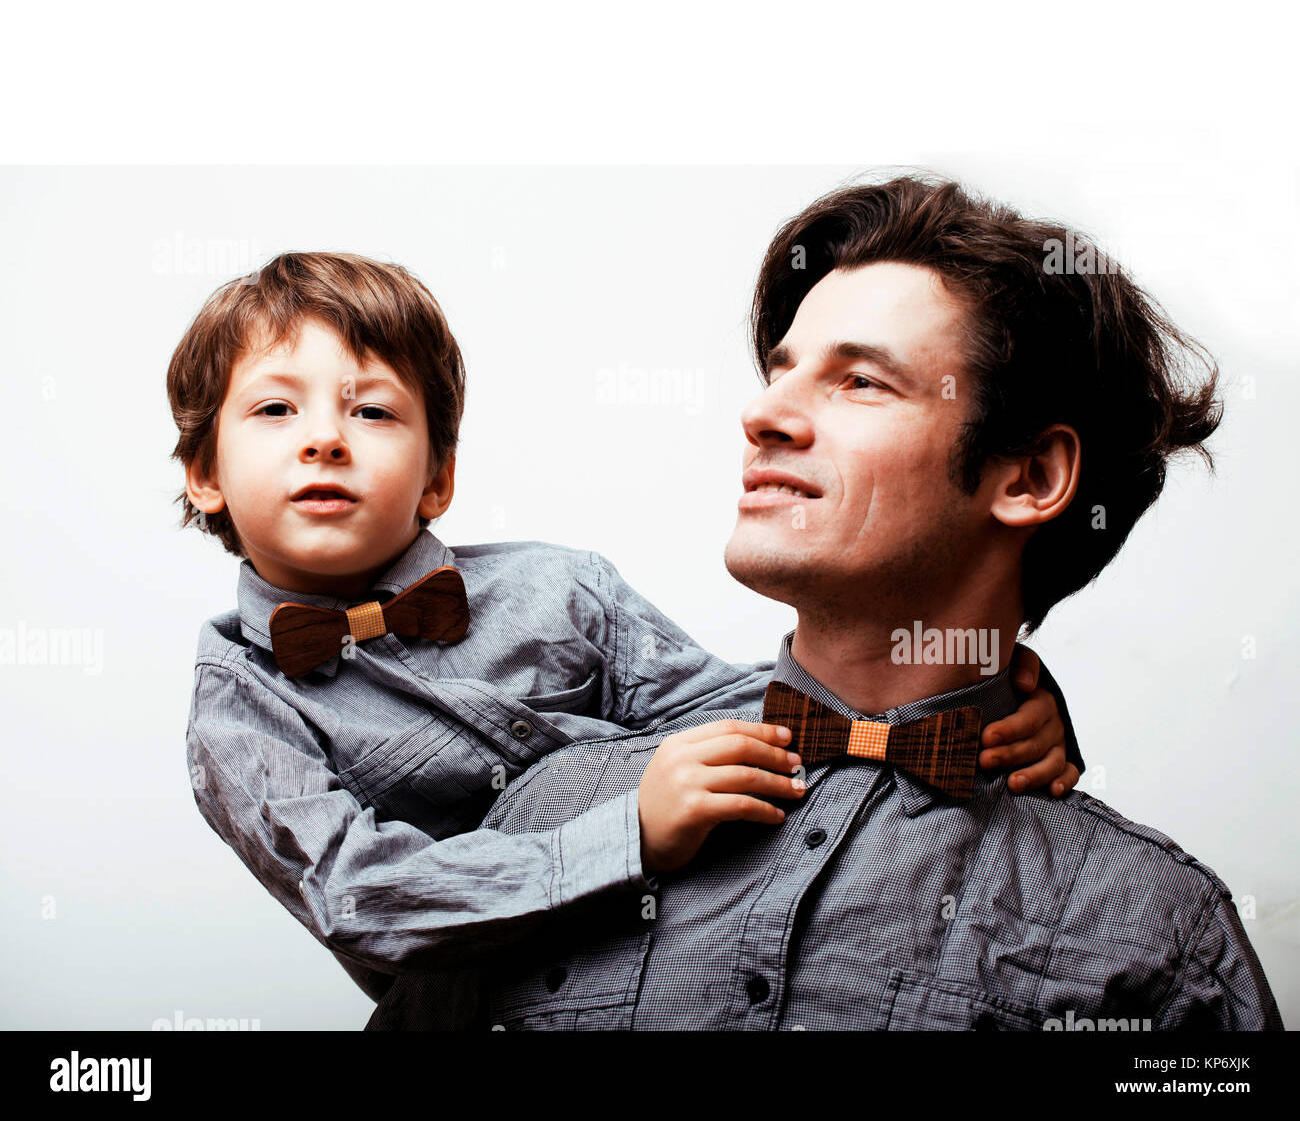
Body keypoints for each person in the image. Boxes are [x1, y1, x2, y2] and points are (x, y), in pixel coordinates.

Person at [368, 175, 1282, 1030]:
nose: (764, 414)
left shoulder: (1159, 937)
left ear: (1033, 476)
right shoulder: (557, 814)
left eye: (860, 380)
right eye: (781, 369)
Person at [174, 250, 1081, 1007]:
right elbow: (357, 893)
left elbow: (771, 709)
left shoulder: (562, 590)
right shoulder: (239, 704)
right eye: (274, 409)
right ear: (204, 475)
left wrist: (982, 691)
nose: (326, 438)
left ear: (438, 479)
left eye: (371, 410)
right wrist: (626, 833)